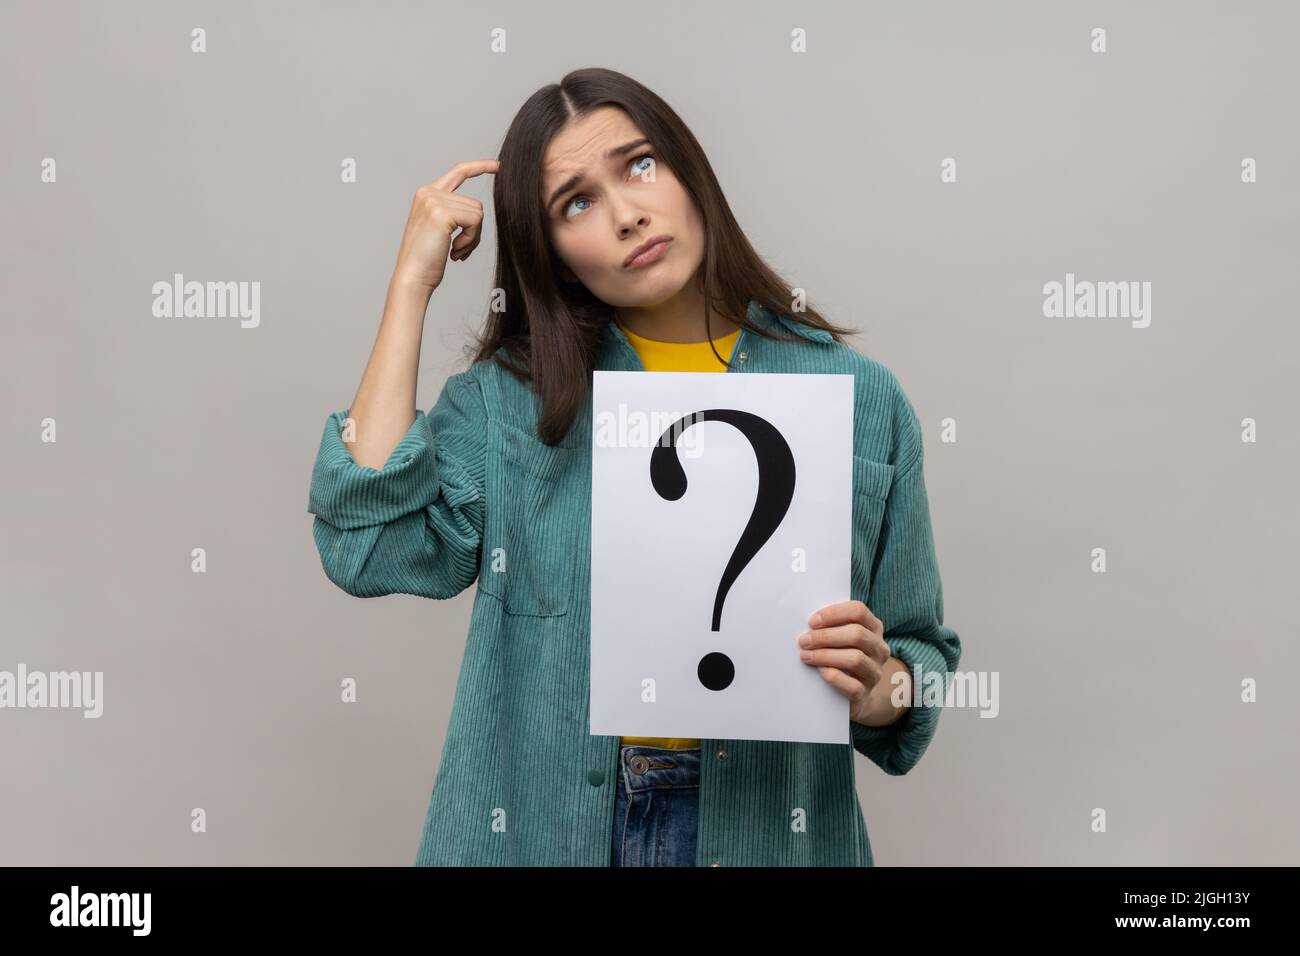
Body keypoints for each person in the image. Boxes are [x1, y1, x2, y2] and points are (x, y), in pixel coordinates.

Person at [307, 67, 961, 867]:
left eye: (640, 165)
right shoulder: (510, 403)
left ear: (689, 171)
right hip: (546, 831)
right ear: (549, 249)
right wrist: (410, 285)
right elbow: (365, 546)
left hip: (768, 835)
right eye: (575, 202)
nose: (627, 215)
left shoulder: (859, 398)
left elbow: (919, 666)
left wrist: (877, 687)